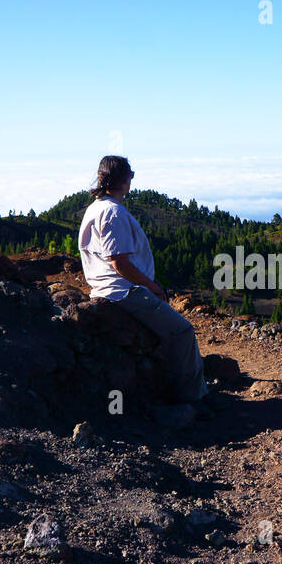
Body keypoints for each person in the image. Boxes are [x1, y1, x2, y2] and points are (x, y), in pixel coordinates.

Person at [77, 155, 211, 414]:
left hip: (108, 289)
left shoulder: (96, 208)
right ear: (123, 179)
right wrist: (152, 286)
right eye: (131, 175)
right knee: (182, 332)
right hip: (122, 291)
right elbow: (119, 263)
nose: (132, 180)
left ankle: (173, 389)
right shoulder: (111, 212)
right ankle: (193, 399)